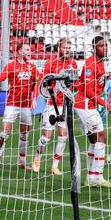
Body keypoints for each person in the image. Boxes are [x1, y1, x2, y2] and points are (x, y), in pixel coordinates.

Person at [0, 42, 39, 172]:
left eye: (30, 50)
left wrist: (34, 98)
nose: (29, 52)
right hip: (12, 104)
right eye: (26, 49)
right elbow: (1, 77)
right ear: (19, 52)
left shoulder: (32, 67)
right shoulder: (11, 66)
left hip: (26, 105)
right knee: (4, 132)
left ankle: (22, 161)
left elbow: (36, 83)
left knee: (24, 134)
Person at [74, 36, 111, 187]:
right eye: (100, 46)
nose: (104, 48)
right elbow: (87, 90)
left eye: (106, 45)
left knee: (94, 141)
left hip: (87, 105)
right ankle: (96, 176)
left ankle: (90, 177)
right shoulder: (91, 64)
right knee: (101, 138)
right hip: (85, 105)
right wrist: (106, 104)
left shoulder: (100, 64)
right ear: (94, 48)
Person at [32, 38, 77, 175]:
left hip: (65, 104)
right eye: (65, 48)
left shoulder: (73, 64)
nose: (67, 50)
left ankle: (55, 166)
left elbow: (75, 84)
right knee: (46, 137)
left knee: (63, 137)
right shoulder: (50, 63)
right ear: (59, 48)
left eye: (69, 48)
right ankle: (37, 158)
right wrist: (35, 98)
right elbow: (40, 81)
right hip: (51, 104)